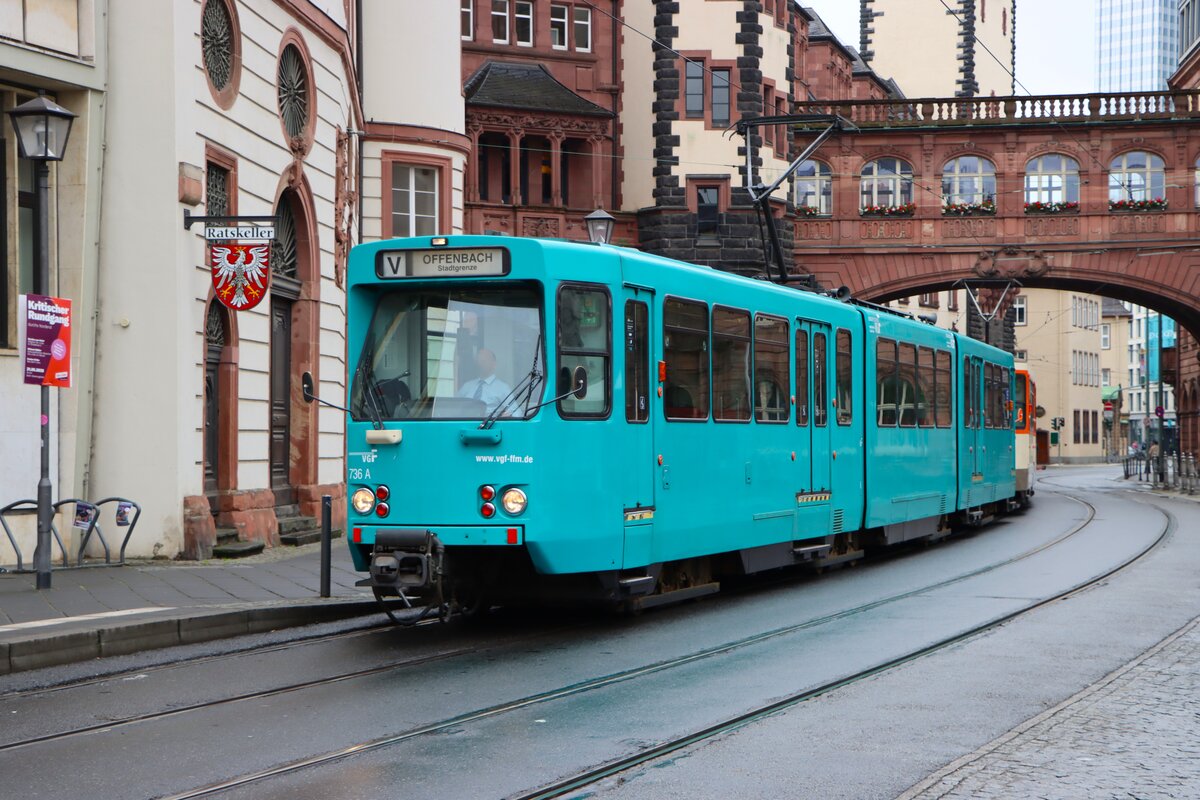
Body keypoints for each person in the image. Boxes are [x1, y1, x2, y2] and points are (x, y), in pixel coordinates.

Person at [457, 348, 512, 415]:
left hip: (490, 424)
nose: (481, 363)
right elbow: (454, 408)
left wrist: (508, 416)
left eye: (485, 360)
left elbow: (516, 413)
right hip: (465, 424)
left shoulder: (503, 388)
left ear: (494, 364)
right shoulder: (467, 386)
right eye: (479, 360)